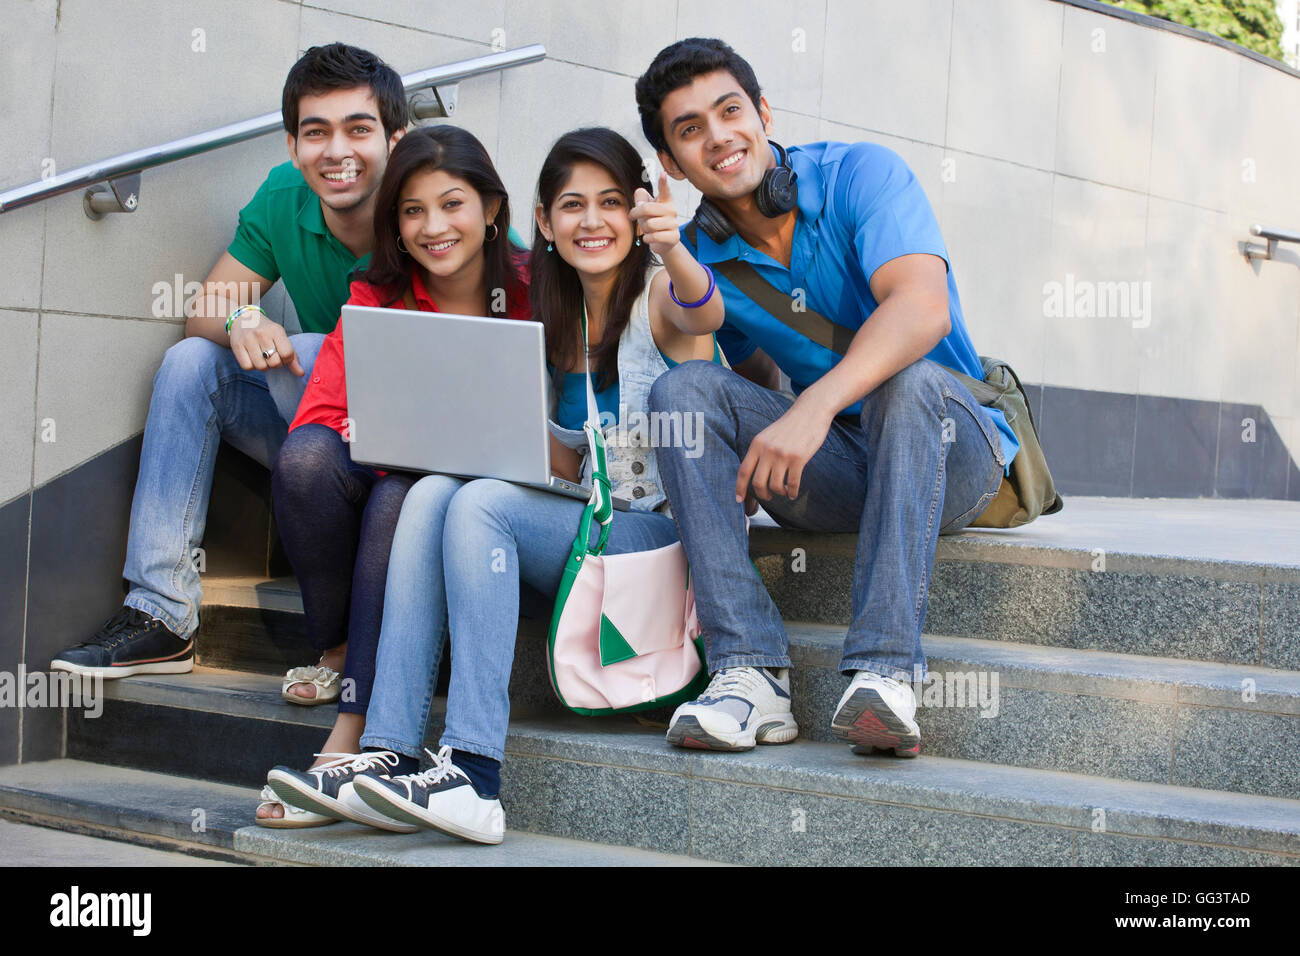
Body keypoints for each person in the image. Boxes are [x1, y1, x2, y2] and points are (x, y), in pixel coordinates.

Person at [310, 127, 725, 844]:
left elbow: (706, 314)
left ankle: (475, 771)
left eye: (609, 204)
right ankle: (389, 748)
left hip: (660, 539)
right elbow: (564, 467)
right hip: (586, 527)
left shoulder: (657, 295)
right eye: (571, 205)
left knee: (476, 504)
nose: (590, 221)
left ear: (636, 215)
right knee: (434, 487)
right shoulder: (548, 317)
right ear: (543, 222)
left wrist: (674, 250)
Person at [633, 38, 1018, 757]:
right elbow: (742, 390)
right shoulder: (701, 252)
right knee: (681, 390)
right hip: (843, 467)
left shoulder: (860, 175)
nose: (717, 136)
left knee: (905, 381)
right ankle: (749, 674)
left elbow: (921, 309)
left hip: (950, 445)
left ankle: (886, 673)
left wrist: (811, 408)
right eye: (690, 129)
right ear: (671, 162)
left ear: (764, 112)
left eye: (729, 111)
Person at [49, 43, 408, 684]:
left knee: (314, 348)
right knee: (192, 361)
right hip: (315, 436)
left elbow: (517, 312)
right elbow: (205, 308)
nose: (337, 151)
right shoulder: (283, 195)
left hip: (413, 447)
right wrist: (245, 317)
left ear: (396, 138)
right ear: (293, 145)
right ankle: (161, 615)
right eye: (315, 132)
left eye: (359, 129)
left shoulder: (436, 199)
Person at [259, 124, 531, 828]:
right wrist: (396, 445)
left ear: (492, 209)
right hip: (405, 484)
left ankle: (352, 738)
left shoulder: (532, 289)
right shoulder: (378, 293)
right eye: (412, 210)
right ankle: (343, 655)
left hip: (496, 509)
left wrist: (414, 454)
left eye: (453, 204)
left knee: (402, 496)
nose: (433, 227)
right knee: (314, 462)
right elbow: (318, 415)